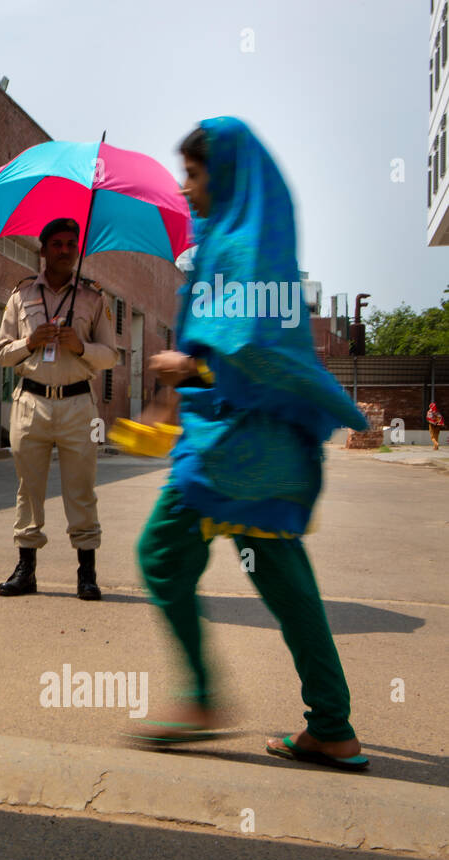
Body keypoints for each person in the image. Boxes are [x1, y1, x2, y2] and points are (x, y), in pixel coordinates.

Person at [134, 117, 371, 771]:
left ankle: (202, 698)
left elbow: (255, 354)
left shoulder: (239, 254)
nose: (186, 189)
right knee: (285, 582)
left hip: (229, 454)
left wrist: (189, 370)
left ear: (226, 174)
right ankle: (332, 725)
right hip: (260, 456)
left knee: (158, 554)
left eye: (194, 173)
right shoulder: (246, 249)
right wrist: (172, 395)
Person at [0, 218, 118, 600]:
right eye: (57, 244)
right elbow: (0, 352)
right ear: (42, 250)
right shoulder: (21, 296)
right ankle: (26, 570)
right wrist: (30, 341)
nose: (65, 250)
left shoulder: (94, 299)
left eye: (71, 244)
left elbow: (111, 355)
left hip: (78, 404)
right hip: (30, 403)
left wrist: (80, 347)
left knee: (81, 489)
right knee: (28, 489)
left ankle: (87, 572)